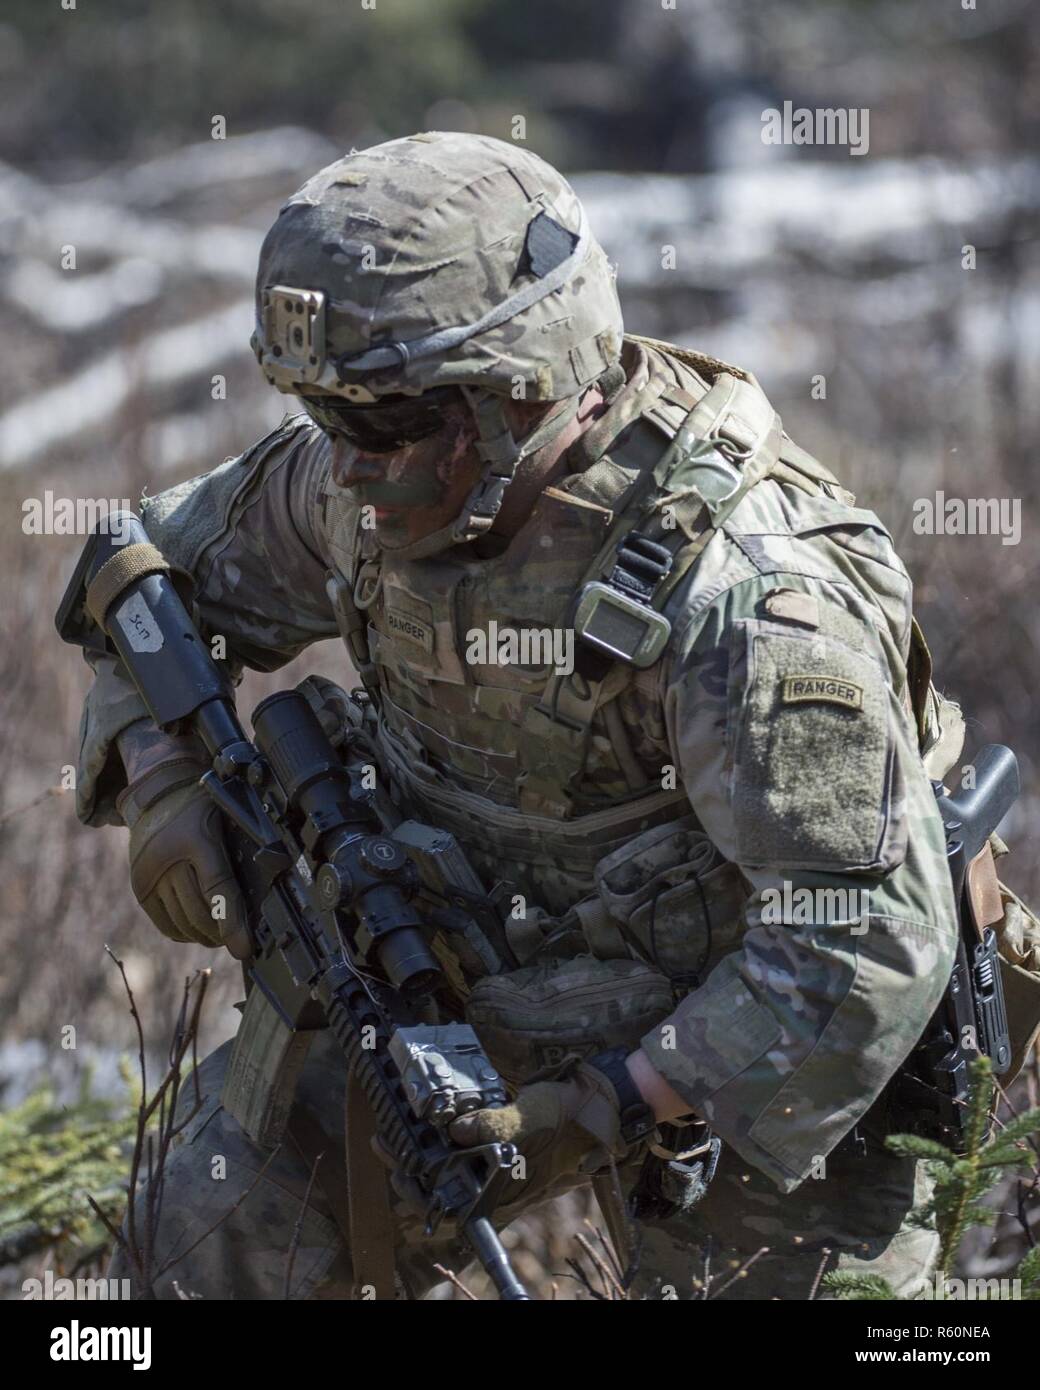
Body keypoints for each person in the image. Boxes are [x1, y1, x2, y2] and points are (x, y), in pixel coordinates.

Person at [73, 130, 966, 1300]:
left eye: (385, 423)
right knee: (196, 1249)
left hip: (755, 1030)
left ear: (523, 390)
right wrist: (162, 779)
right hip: (453, 978)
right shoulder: (369, 480)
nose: (342, 469)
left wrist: (611, 1104)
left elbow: (857, 936)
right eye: (320, 413)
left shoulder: (744, 604)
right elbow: (140, 576)